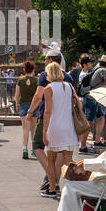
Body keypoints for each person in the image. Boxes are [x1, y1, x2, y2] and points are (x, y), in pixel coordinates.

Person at [40, 61, 80, 198]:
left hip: (55, 127)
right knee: (68, 160)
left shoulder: (48, 88)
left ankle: (52, 188)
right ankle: (71, 188)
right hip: (69, 127)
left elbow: (47, 112)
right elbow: (77, 102)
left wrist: (44, 131)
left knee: (51, 160)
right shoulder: (69, 86)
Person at [14, 60, 38, 160]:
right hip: (34, 106)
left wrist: (17, 104)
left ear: (24, 69)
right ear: (33, 69)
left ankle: (25, 149)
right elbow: (38, 96)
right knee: (33, 129)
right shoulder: (37, 80)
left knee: (25, 129)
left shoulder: (20, 80)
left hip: (23, 106)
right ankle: (34, 149)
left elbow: (16, 95)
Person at [86, 54, 106, 148]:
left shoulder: (96, 70)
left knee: (101, 118)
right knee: (90, 122)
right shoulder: (103, 70)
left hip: (91, 97)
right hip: (93, 99)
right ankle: (82, 144)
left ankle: (97, 140)